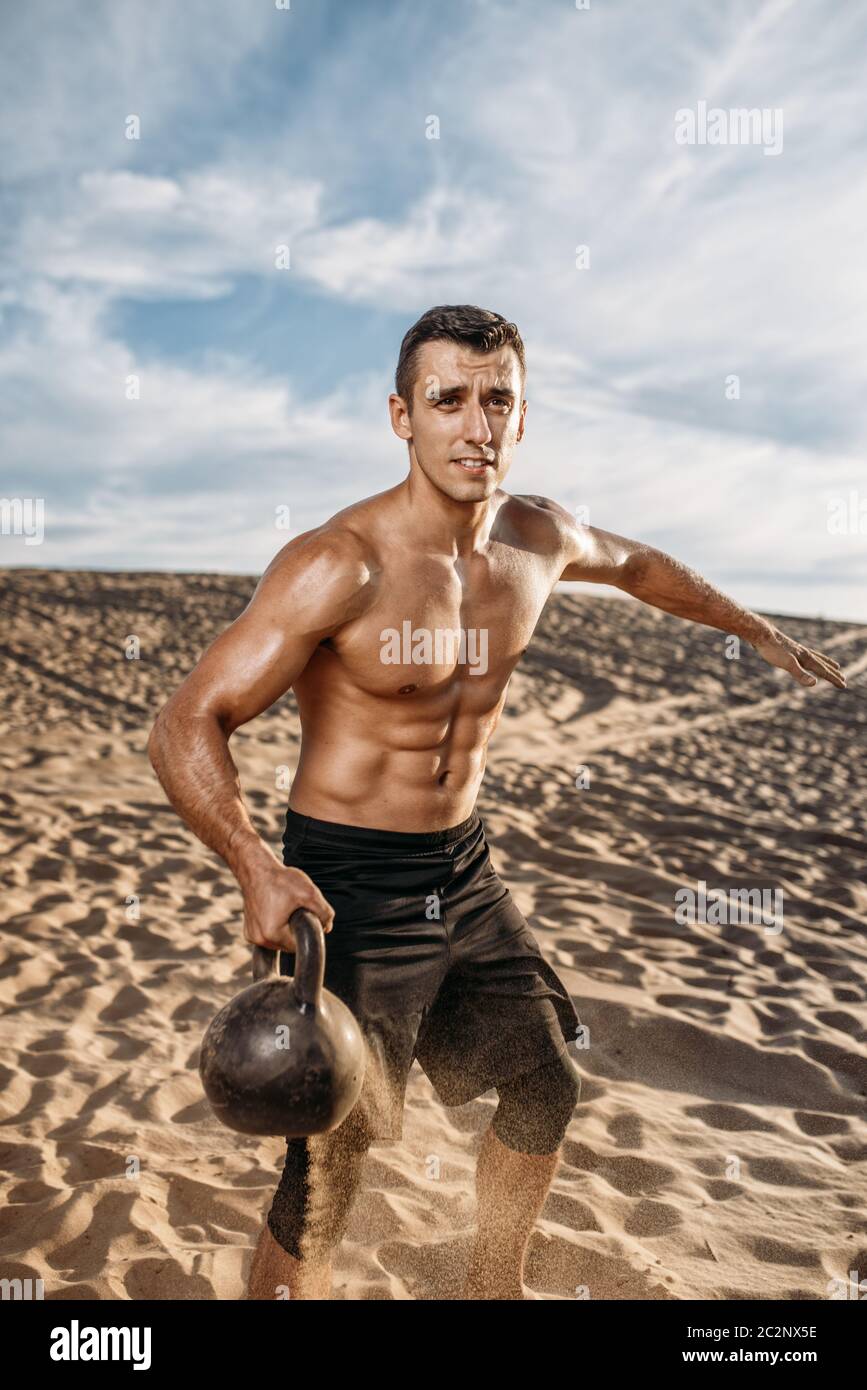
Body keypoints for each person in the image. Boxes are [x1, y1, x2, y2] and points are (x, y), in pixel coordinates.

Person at [147, 304, 847, 1301]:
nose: (476, 425)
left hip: (462, 871)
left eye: (498, 401)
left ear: (523, 420)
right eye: (449, 400)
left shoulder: (537, 540)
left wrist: (758, 629)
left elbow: (639, 565)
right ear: (403, 415)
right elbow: (186, 723)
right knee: (330, 1160)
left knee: (545, 1084)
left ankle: (489, 1283)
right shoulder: (338, 564)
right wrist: (255, 864)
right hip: (348, 883)